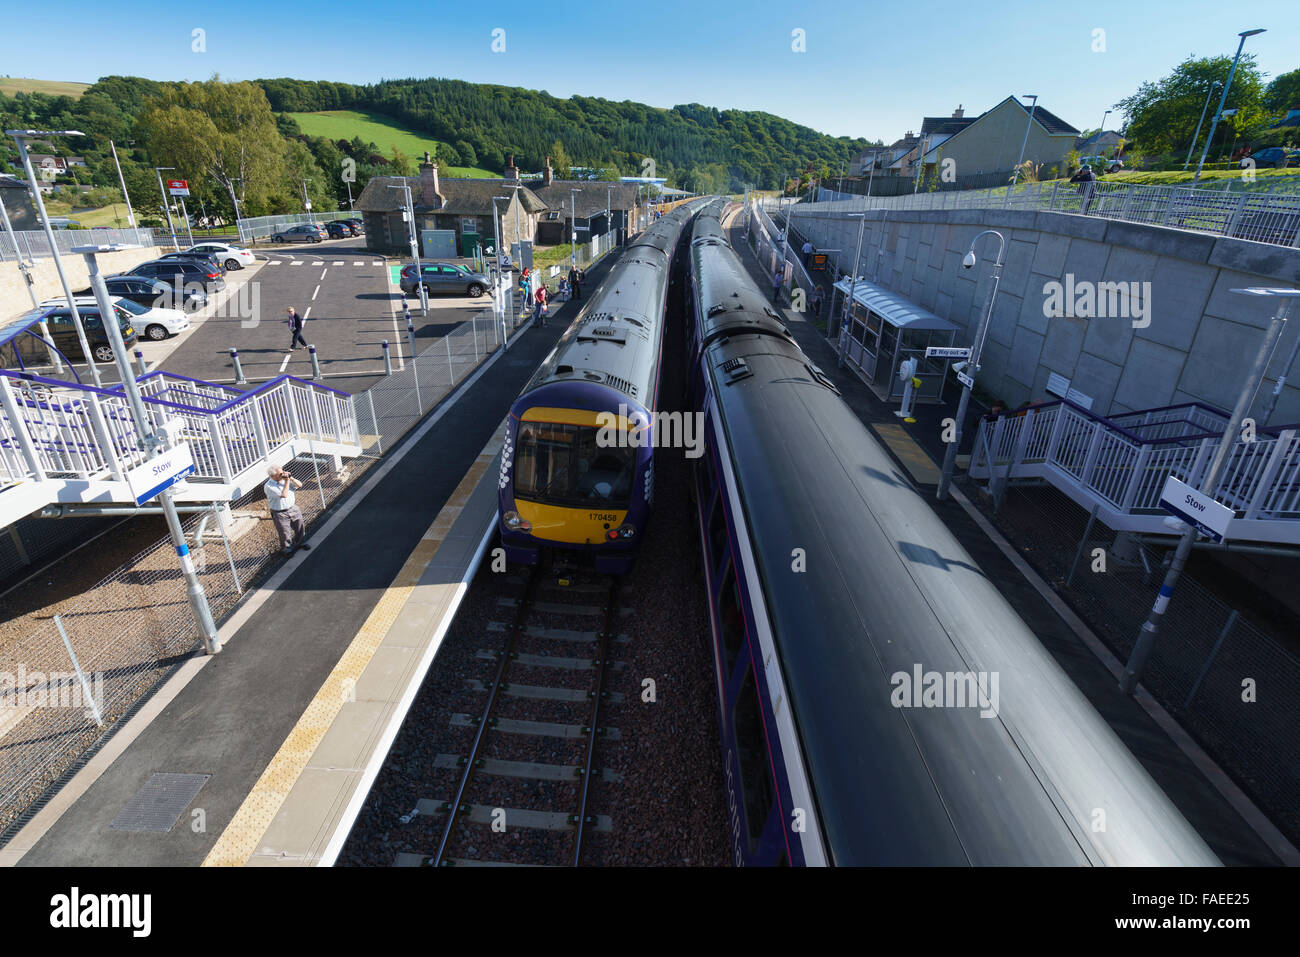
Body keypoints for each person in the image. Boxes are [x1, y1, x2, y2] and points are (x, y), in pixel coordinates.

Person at [265, 464, 310, 555]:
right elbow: (284, 495)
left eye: (282, 472)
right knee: (284, 533)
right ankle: (287, 549)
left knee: (300, 527)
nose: (283, 475)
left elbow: (300, 485)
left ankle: (300, 543)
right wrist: (287, 481)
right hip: (279, 512)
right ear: (272, 476)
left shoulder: (285, 479)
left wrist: (291, 478)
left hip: (293, 508)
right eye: (280, 474)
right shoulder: (269, 486)